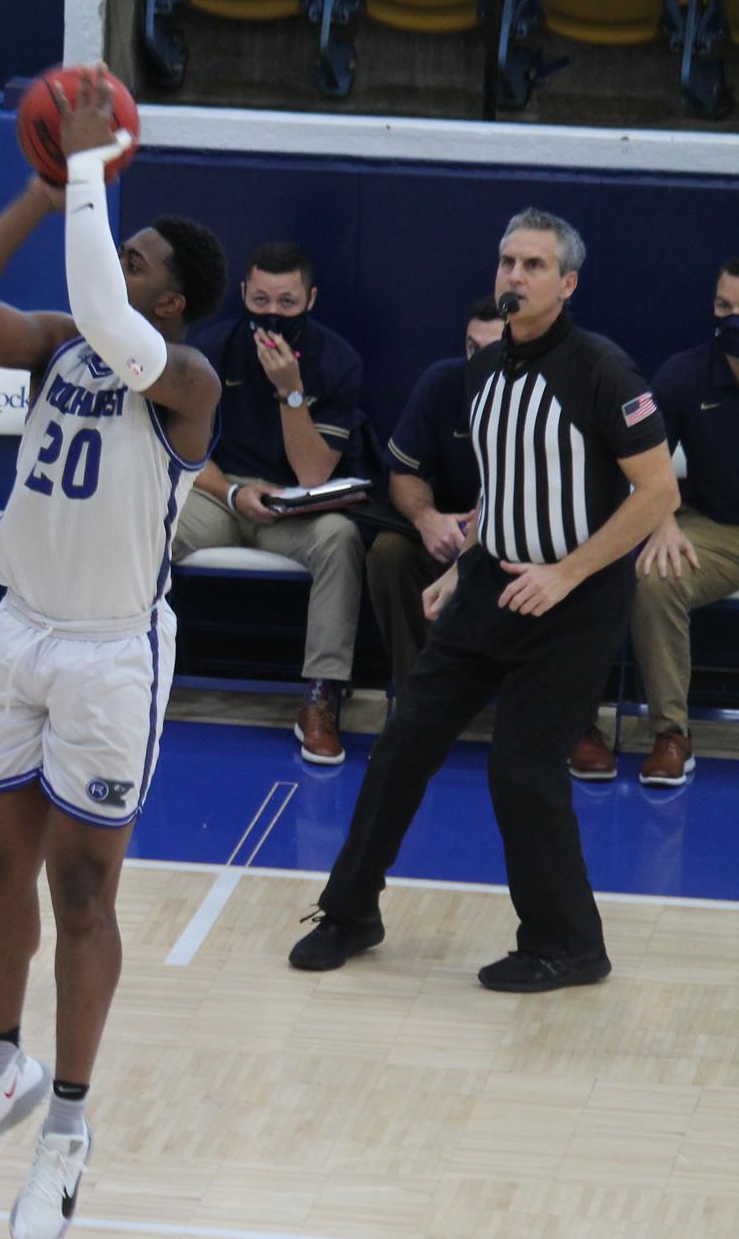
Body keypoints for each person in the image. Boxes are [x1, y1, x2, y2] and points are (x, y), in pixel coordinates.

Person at [0, 68, 226, 1238]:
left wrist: (90, 171)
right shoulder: (54, 349)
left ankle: (66, 1133)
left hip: (108, 656)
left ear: (172, 298)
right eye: (119, 247)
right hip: (18, 633)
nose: (115, 260)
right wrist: (40, 192)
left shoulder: (185, 383)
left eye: (136, 257)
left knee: (83, 889)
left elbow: (105, 308)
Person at [290, 208, 677, 994]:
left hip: (573, 600)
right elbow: (503, 487)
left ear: (567, 284)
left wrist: (565, 572)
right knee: (402, 743)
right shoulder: (482, 370)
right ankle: (350, 912)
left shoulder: (605, 370)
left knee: (521, 768)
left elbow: (657, 492)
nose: (515, 276)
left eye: (534, 265)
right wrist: (462, 564)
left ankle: (568, 943)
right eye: (507, 261)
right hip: (488, 586)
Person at [173, 241, 367, 765]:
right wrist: (232, 493)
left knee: (341, 538)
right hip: (218, 493)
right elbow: (184, 451)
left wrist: (290, 392)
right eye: (260, 301)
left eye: (287, 303)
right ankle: (126, 669)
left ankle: (321, 696)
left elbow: (313, 474)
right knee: (150, 523)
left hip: (291, 502)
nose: (272, 315)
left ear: (311, 300)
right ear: (242, 294)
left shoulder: (337, 361)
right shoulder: (207, 352)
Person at [617, 256, 739, 786]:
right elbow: (644, 464)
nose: (733, 319)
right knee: (654, 576)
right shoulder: (685, 374)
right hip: (714, 529)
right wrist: (662, 520)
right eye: (724, 307)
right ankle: (671, 733)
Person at [367, 298, 497, 694]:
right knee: (389, 552)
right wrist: (426, 518)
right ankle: (419, 693)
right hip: (450, 533)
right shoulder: (443, 382)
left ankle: (553, 711)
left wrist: (488, 524)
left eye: (493, 351)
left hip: (518, 538)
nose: (479, 361)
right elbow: (403, 473)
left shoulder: (551, 390)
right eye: (473, 348)